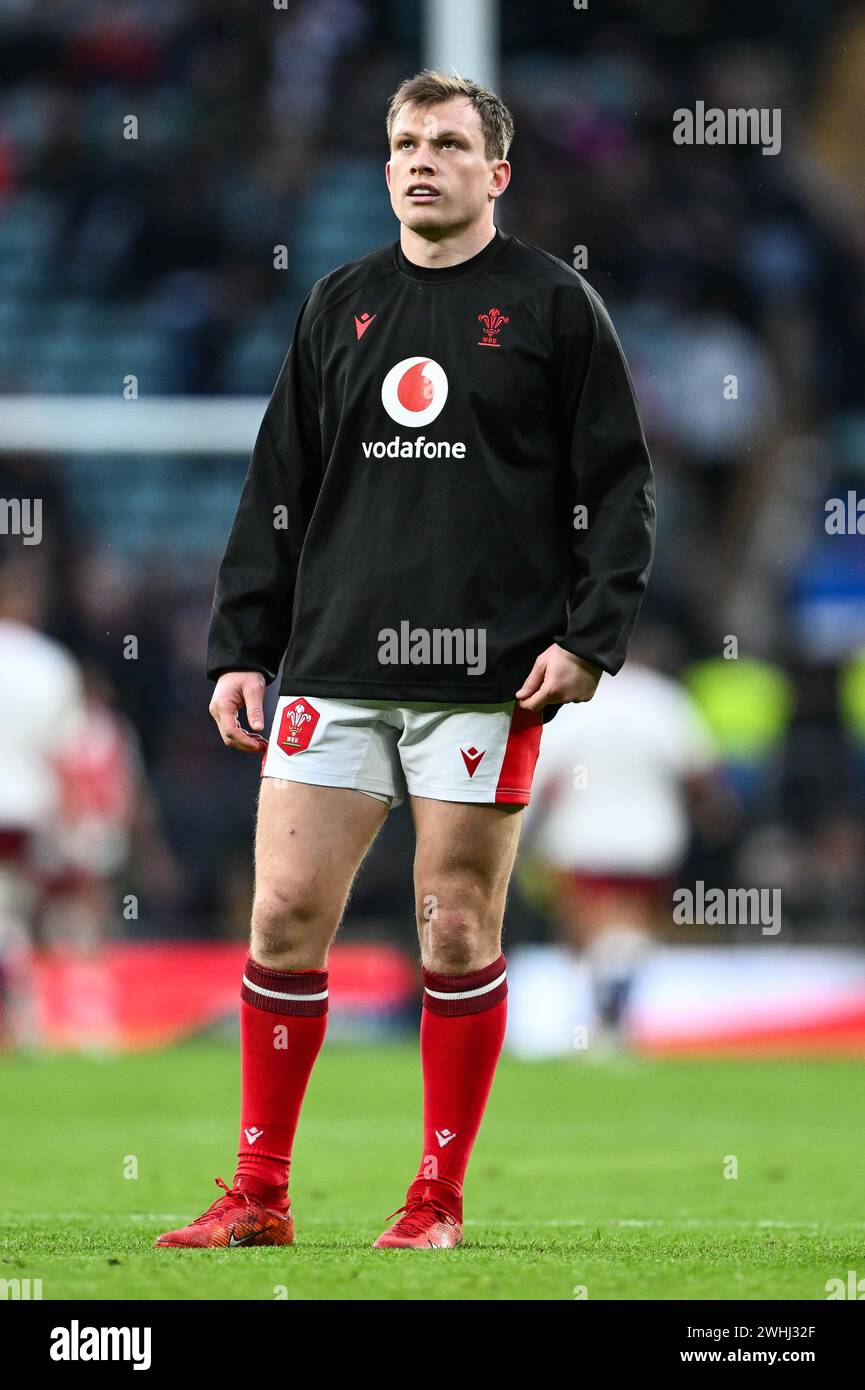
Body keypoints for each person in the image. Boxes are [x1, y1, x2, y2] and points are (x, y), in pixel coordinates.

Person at [156, 69, 655, 1251]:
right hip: (331, 663)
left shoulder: (550, 305)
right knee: (280, 916)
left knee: (452, 929)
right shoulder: (340, 303)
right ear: (384, 169)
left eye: (445, 142)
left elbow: (621, 487)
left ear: (498, 172)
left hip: (483, 674)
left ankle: (433, 1201)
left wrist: (590, 640)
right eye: (402, 144)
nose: (420, 160)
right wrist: (244, 643)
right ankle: (259, 1196)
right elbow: (278, 485)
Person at [520, 644, 722, 1054]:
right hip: (652, 840)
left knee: (589, 934)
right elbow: (701, 773)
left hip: (582, 839)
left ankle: (599, 1024)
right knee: (634, 928)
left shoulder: (572, 699)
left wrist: (521, 835)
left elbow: (542, 776)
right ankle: (617, 1020)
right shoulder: (664, 699)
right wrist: (711, 820)